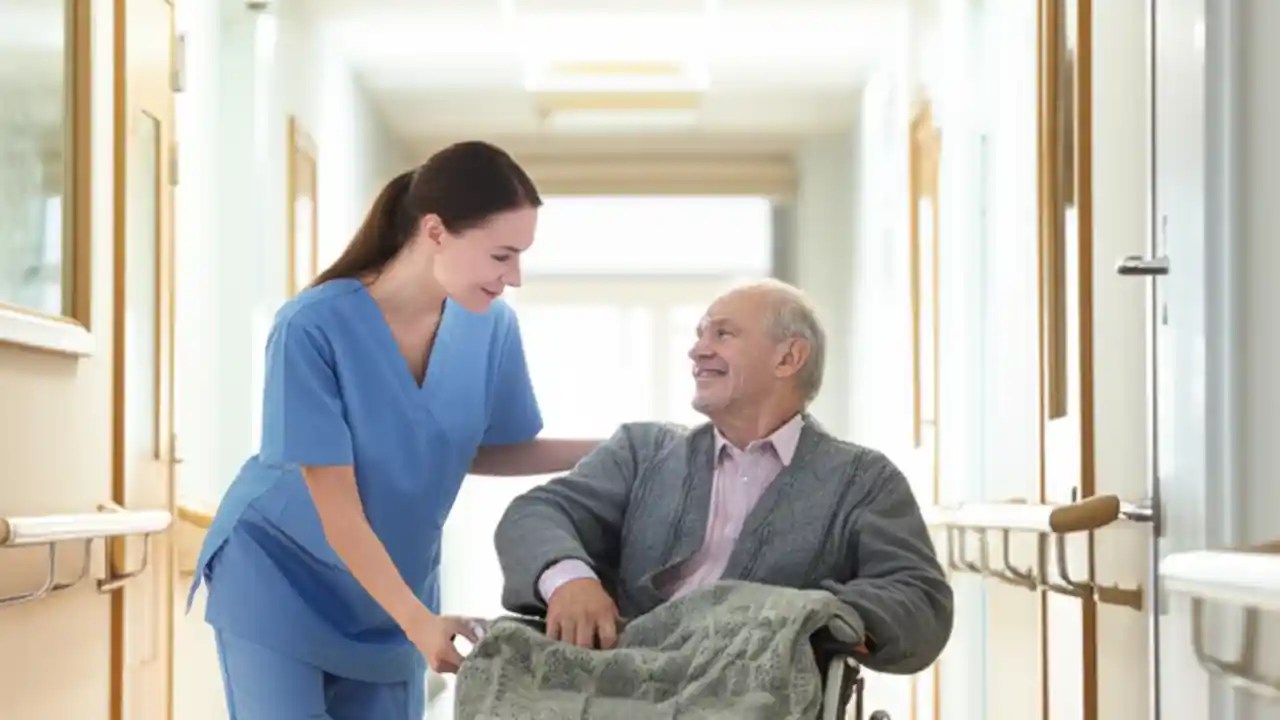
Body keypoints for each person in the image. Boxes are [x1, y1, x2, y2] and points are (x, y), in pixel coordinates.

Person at [188, 141, 598, 719]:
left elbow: (480, 449)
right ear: (435, 232)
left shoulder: (491, 328)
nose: (516, 277)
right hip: (279, 575)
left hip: (392, 589)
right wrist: (418, 621)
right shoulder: (312, 326)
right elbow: (335, 503)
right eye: (502, 255)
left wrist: (619, 448)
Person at [495, 280, 953, 674]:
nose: (698, 349)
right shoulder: (643, 451)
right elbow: (535, 514)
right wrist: (569, 580)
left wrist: (811, 617)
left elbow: (919, 597)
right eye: (699, 335)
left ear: (789, 357)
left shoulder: (863, 481)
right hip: (621, 684)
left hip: (757, 696)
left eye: (723, 333)